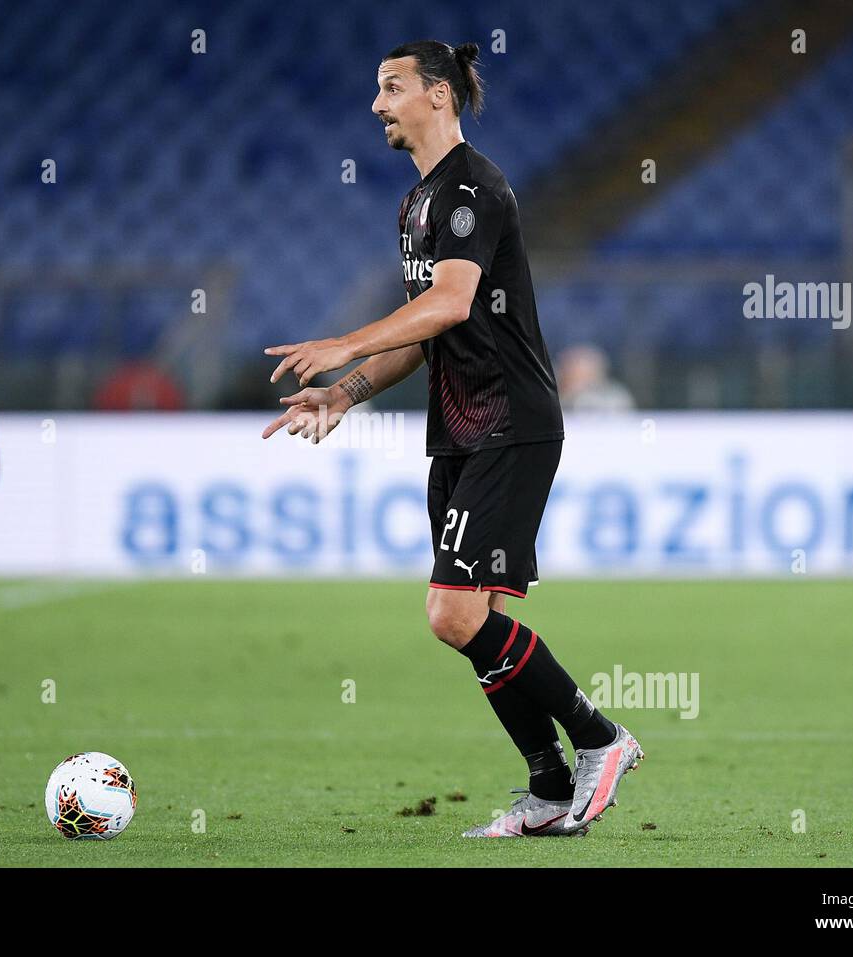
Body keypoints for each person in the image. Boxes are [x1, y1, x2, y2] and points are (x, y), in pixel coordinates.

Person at [262, 42, 642, 837]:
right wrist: (346, 391)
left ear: (439, 95)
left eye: (391, 88)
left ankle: (601, 737)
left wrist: (343, 343)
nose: (378, 104)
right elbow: (424, 333)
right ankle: (545, 786)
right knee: (477, 624)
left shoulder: (474, 189)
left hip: (511, 423)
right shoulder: (416, 204)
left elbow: (451, 304)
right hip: (461, 431)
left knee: (451, 612)